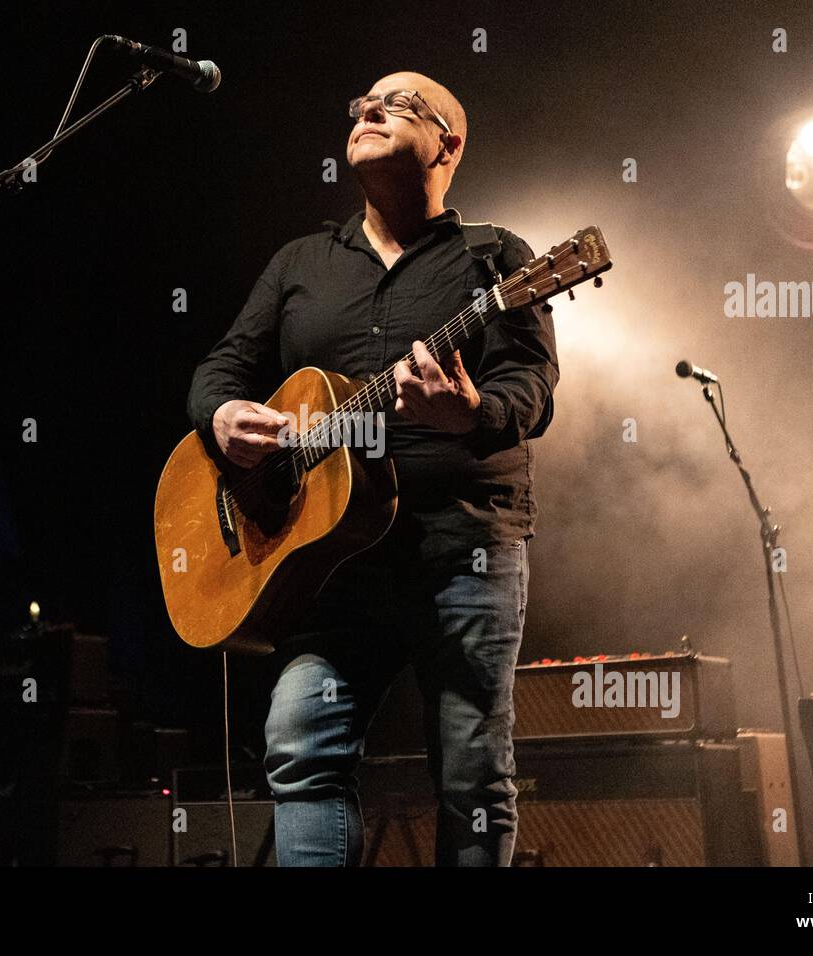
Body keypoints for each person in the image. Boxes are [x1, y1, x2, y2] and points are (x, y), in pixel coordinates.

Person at [187, 71, 559, 866]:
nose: (368, 110)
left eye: (398, 104)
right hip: (327, 567)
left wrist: (472, 414)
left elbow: (531, 388)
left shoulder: (498, 257)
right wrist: (222, 418)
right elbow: (221, 368)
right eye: (361, 103)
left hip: (462, 548)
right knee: (299, 754)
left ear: (449, 144)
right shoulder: (300, 263)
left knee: (472, 776)